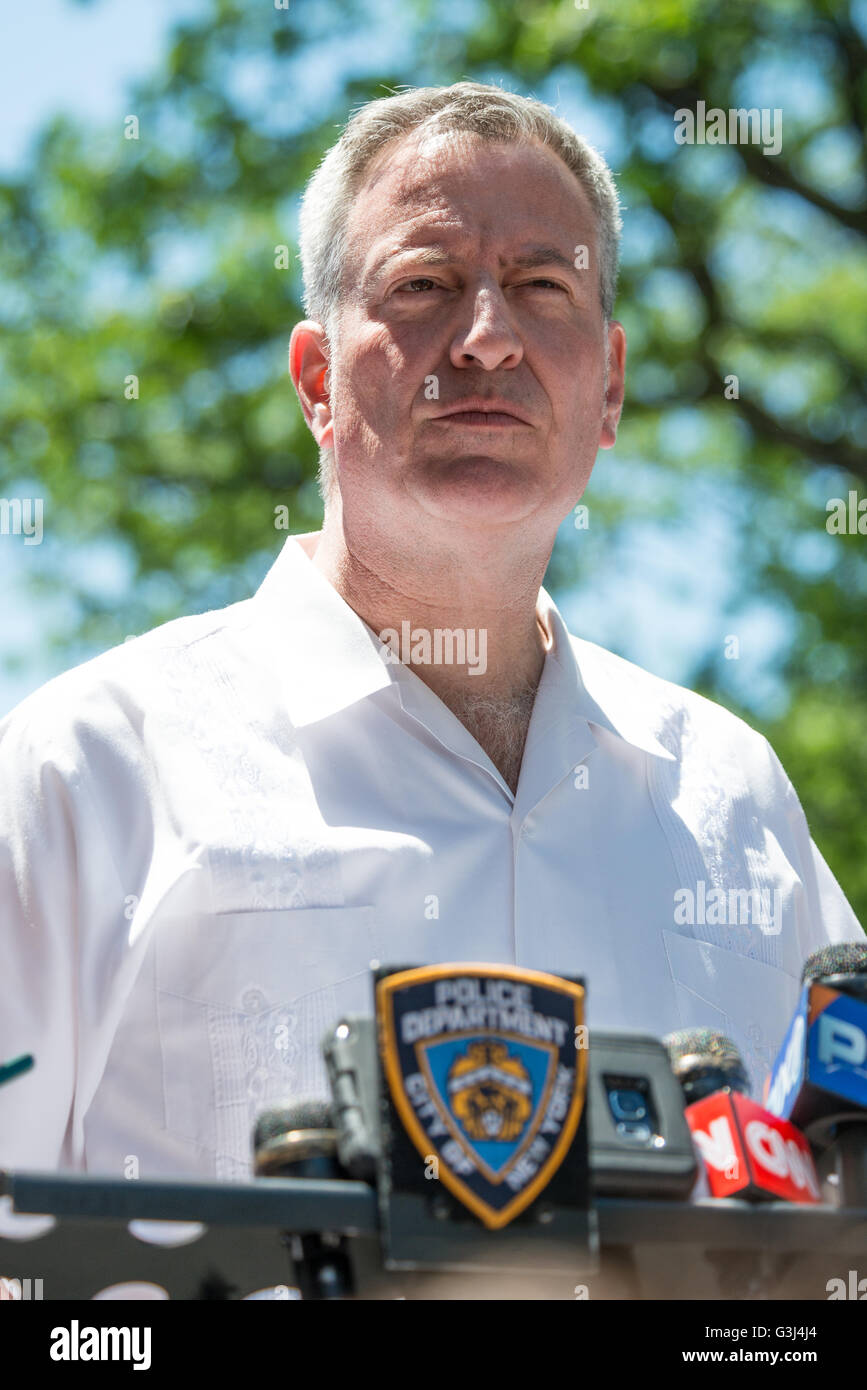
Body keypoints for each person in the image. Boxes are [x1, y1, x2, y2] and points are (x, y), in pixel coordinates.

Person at [0, 82, 860, 1183]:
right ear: (316, 378)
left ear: (610, 387)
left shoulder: (735, 797)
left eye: (543, 286)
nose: (490, 338)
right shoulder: (89, 769)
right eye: (425, 285)